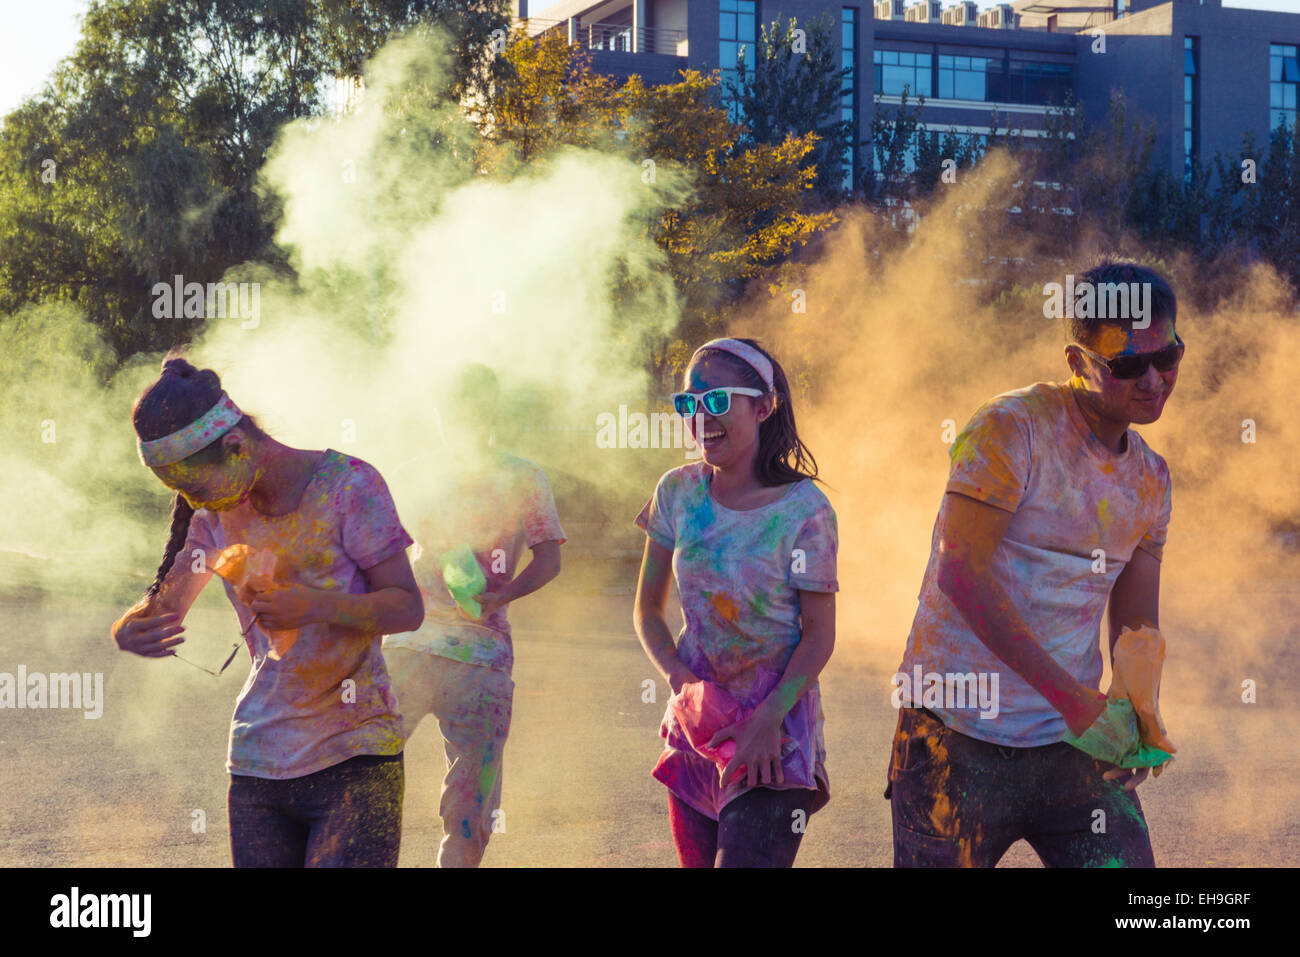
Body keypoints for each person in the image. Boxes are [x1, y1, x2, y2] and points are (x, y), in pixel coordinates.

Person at [888, 260, 1182, 867]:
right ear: (1078, 362)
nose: (1154, 379)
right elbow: (961, 574)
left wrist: (1136, 715)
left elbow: (1136, 629)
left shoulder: (1151, 478)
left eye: (1168, 356)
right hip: (953, 736)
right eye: (1128, 364)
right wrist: (1076, 702)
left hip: (1071, 749)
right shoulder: (1010, 428)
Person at [110, 357, 423, 867]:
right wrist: (127, 631)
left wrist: (316, 605)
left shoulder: (349, 486)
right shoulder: (214, 518)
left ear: (236, 447)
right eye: (182, 493)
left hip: (357, 755)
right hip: (258, 768)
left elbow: (407, 607)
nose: (194, 502)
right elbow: (160, 609)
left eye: (196, 487)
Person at [633, 337, 837, 868]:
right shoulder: (676, 492)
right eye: (688, 404)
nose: (701, 416)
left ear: (763, 406)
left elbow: (819, 633)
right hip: (697, 735)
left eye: (717, 401)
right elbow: (648, 609)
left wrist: (767, 719)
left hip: (773, 736)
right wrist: (681, 682)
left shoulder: (805, 509)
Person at [382, 363, 564, 868]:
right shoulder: (416, 476)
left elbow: (550, 559)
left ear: (490, 413)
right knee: (449, 798)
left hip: (450, 653)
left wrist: (499, 595)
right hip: (432, 647)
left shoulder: (520, 476)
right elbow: (375, 557)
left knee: (387, 778)